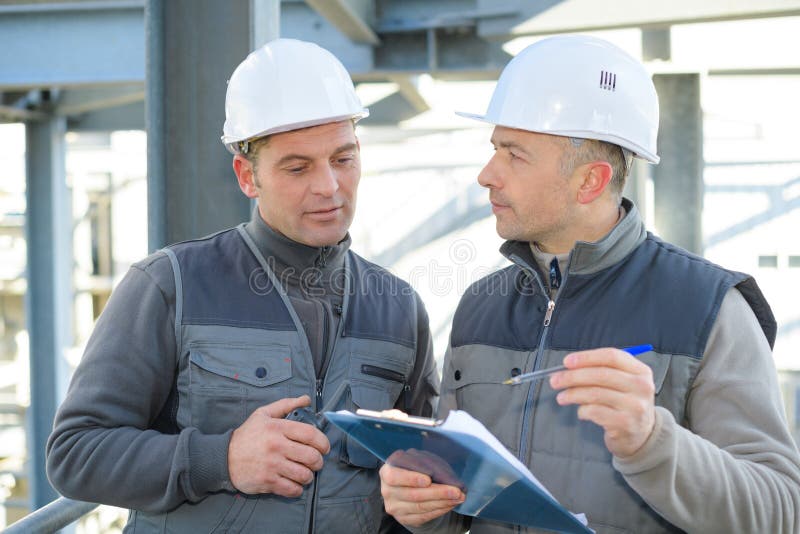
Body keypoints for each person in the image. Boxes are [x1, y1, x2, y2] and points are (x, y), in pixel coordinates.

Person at [379, 34, 800, 533]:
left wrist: (652, 441)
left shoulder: (709, 309)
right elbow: (460, 505)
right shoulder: (481, 306)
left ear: (590, 181)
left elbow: (780, 512)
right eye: (494, 149)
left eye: (515, 155)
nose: (487, 174)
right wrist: (424, 507)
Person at [46, 38, 439, 533]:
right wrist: (222, 458)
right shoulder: (171, 285)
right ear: (247, 176)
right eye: (297, 167)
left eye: (342, 159)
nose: (329, 187)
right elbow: (75, 454)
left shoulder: (399, 307)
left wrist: (427, 506)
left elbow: (429, 478)